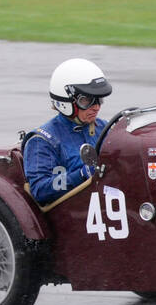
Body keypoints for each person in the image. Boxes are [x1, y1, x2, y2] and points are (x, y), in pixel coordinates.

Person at [24, 58, 112, 204]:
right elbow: (40, 190)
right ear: (66, 102)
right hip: (75, 212)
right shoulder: (42, 140)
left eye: (99, 100)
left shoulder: (106, 128)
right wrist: (83, 174)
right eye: (87, 100)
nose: (96, 107)